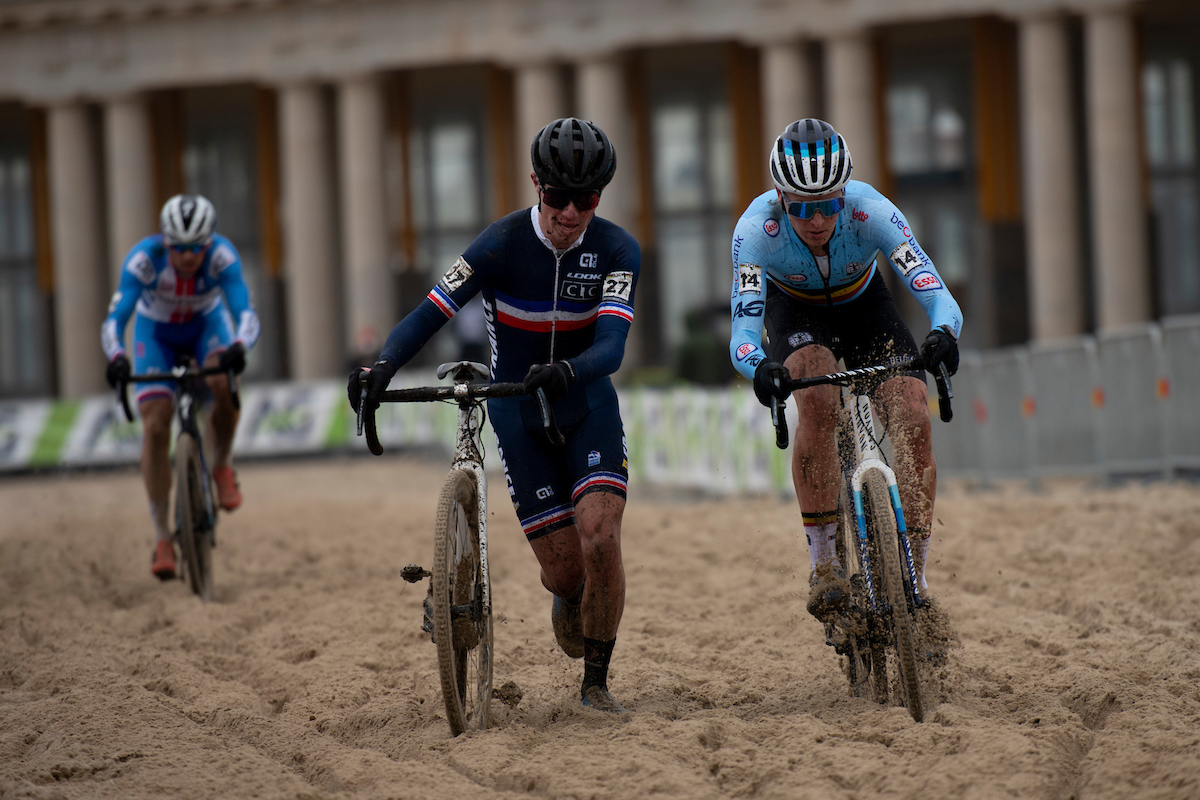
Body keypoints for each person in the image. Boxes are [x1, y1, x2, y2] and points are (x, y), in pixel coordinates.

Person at [349, 118, 639, 713]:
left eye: (585, 199)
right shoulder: (499, 244)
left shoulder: (617, 249)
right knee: (566, 574)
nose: (569, 213)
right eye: (557, 196)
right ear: (536, 185)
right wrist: (382, 368)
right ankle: (570, 596)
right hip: (515, 408)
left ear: (599, 197)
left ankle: (596, 685)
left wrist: (569, 370)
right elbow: (430, 313)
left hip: (585, 402)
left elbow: (612, 347)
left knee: (601, 535)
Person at [728, 118, 962, 620]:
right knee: (816, 402)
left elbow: (937, 294)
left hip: (865, 306)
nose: (817, 220)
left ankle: (916, 577)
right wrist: (761, 367)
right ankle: (825, 564)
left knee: (913, 416)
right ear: (780, 198)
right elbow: (742, 335)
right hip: (795, 313)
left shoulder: (873, 212)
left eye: (829, 204)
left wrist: (944, 333)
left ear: (845, 194)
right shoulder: (754, 232)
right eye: (802, 207)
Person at [101, 194, 260, 581]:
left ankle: (221, 466)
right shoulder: (143, 260)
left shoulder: (223, 257)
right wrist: (117, 357)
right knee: (156, 425)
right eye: (179, 248)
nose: (188, 256)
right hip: (156, 334)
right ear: (165, 241)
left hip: (206, 326)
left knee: (224, 382)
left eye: (197, 248)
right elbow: (115, 320)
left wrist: (240, 347)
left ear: (210, 242)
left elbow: (245, 313)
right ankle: (162, 538)